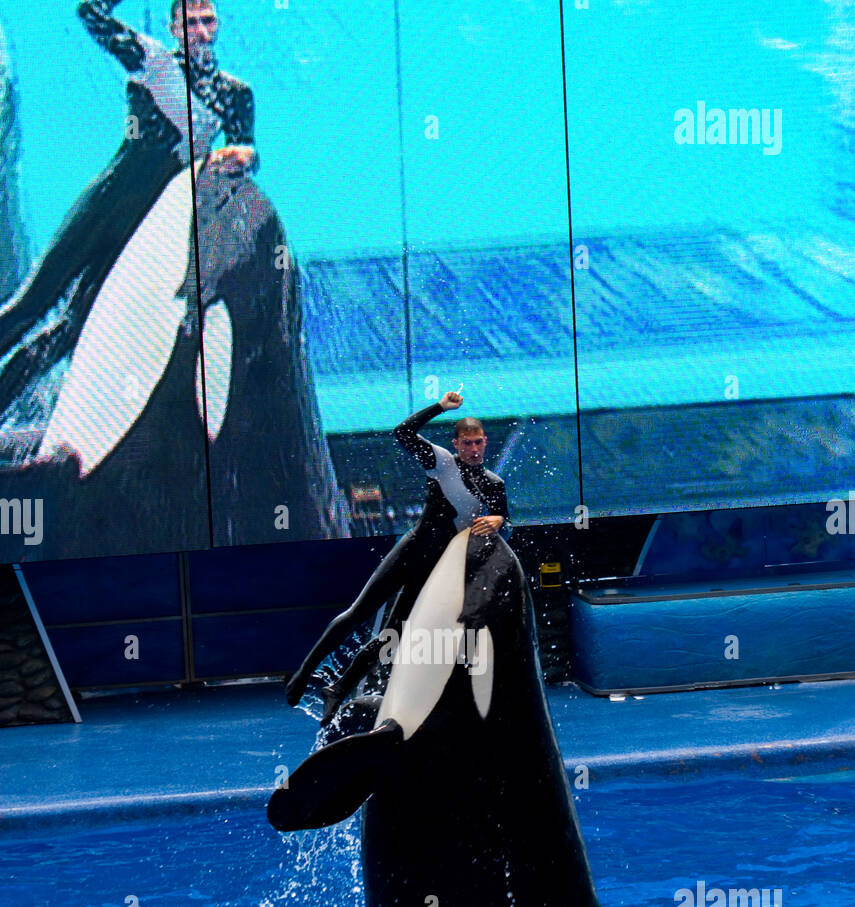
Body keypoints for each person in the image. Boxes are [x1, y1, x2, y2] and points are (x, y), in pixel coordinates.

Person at [0, 1, 255, 424]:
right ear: (175, 27)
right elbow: (91, 14)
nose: (200, 32)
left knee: (69, 331)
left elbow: (246, 148)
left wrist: (242, 156)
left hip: (150, 225)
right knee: (32, 301)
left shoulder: (234, 93)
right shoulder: (149, 58)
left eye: (207, 21)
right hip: (107, 202)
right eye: (190, 23)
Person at [284, 391, 509, 717]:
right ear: (456, 444)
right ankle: (304, 673)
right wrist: (439, 407)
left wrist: (500, 519)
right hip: (411, 549)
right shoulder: (441, 461)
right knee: (358, 612)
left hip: (437, 567)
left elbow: (505, 520)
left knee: (395, 634)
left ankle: (339, 688)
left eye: (479, 443)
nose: (473, 449)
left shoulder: (494, 484)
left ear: (485, 443)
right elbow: (402, 433)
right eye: (467, 443)